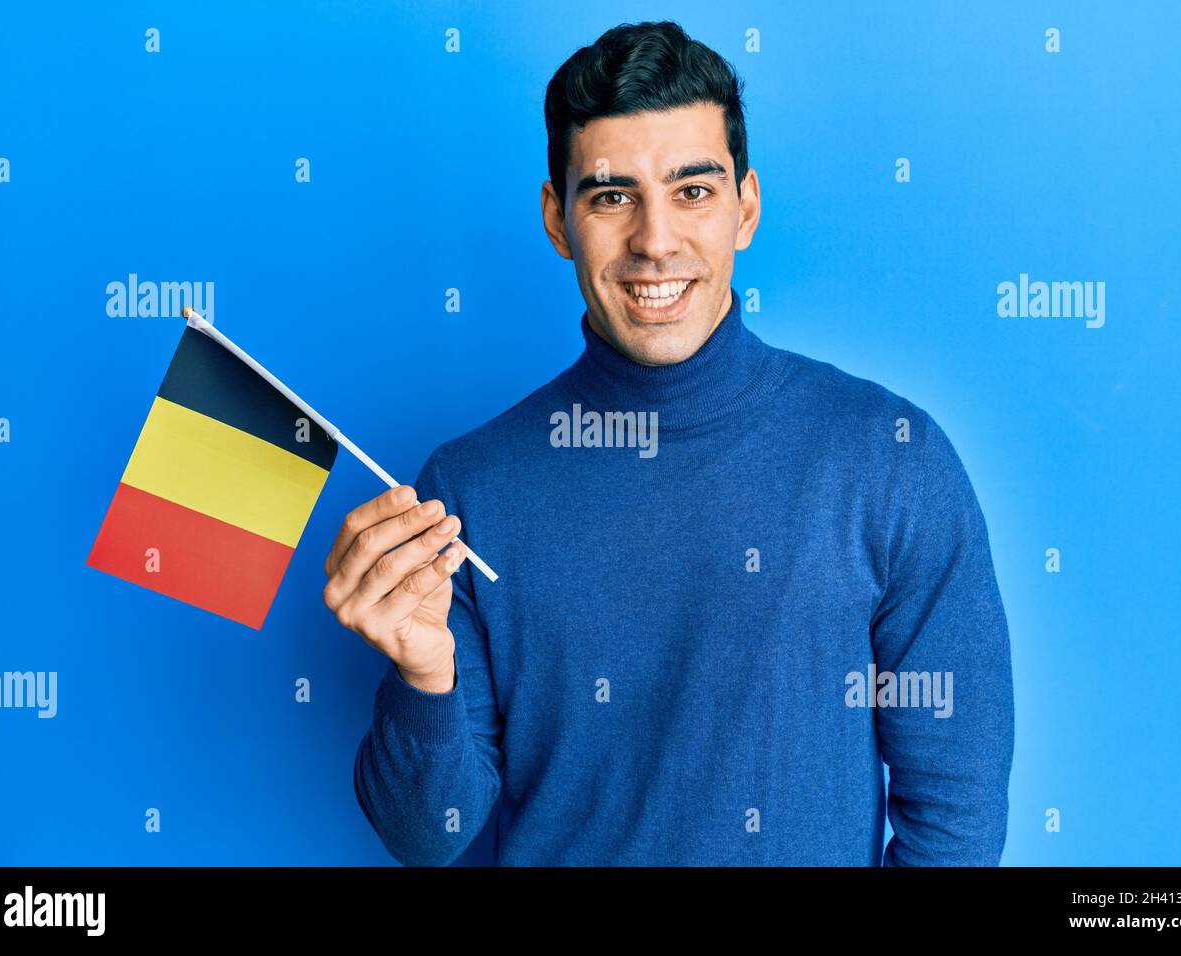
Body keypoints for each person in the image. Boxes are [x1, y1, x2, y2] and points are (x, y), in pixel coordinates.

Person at [323, 20, 1014, 866]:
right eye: (612, 196)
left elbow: (958, 818)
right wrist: (423, 679)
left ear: (745, 208)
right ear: (556, 218)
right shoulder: (466, 493)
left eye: (693, 191)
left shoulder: (891, 459)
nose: (655, 241)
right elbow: (430, 839)